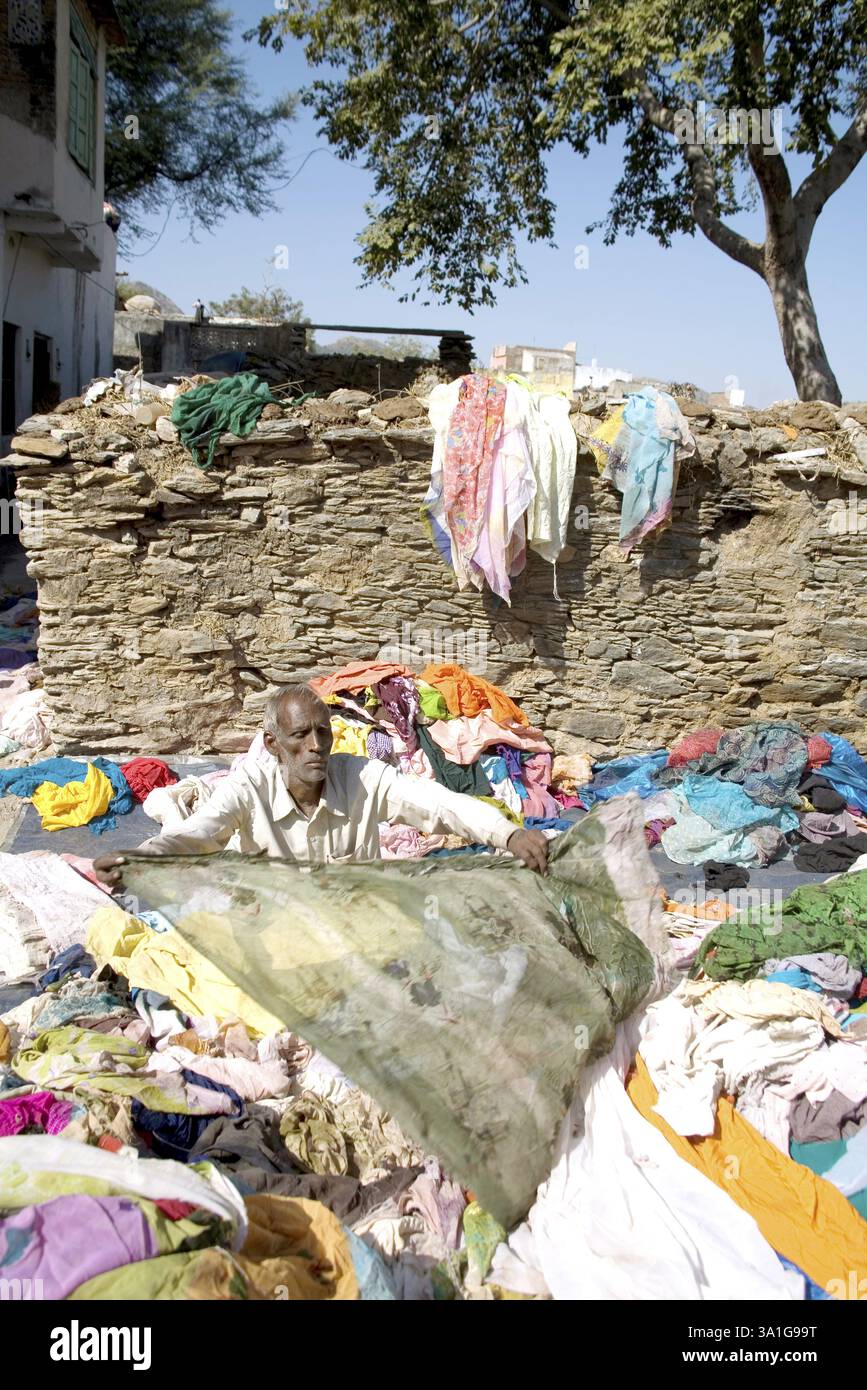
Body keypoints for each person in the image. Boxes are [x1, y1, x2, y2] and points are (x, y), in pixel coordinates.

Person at [93, 684, 549, 890]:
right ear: (272, 744)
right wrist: (140, 857)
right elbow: (198, 833)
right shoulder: (249, 788)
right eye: (300, 736)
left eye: (323, 733)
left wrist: (507, 833)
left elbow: (435, 803)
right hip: (283, 931)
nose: (316, 747)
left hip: (357, 923)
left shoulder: (360, 777)